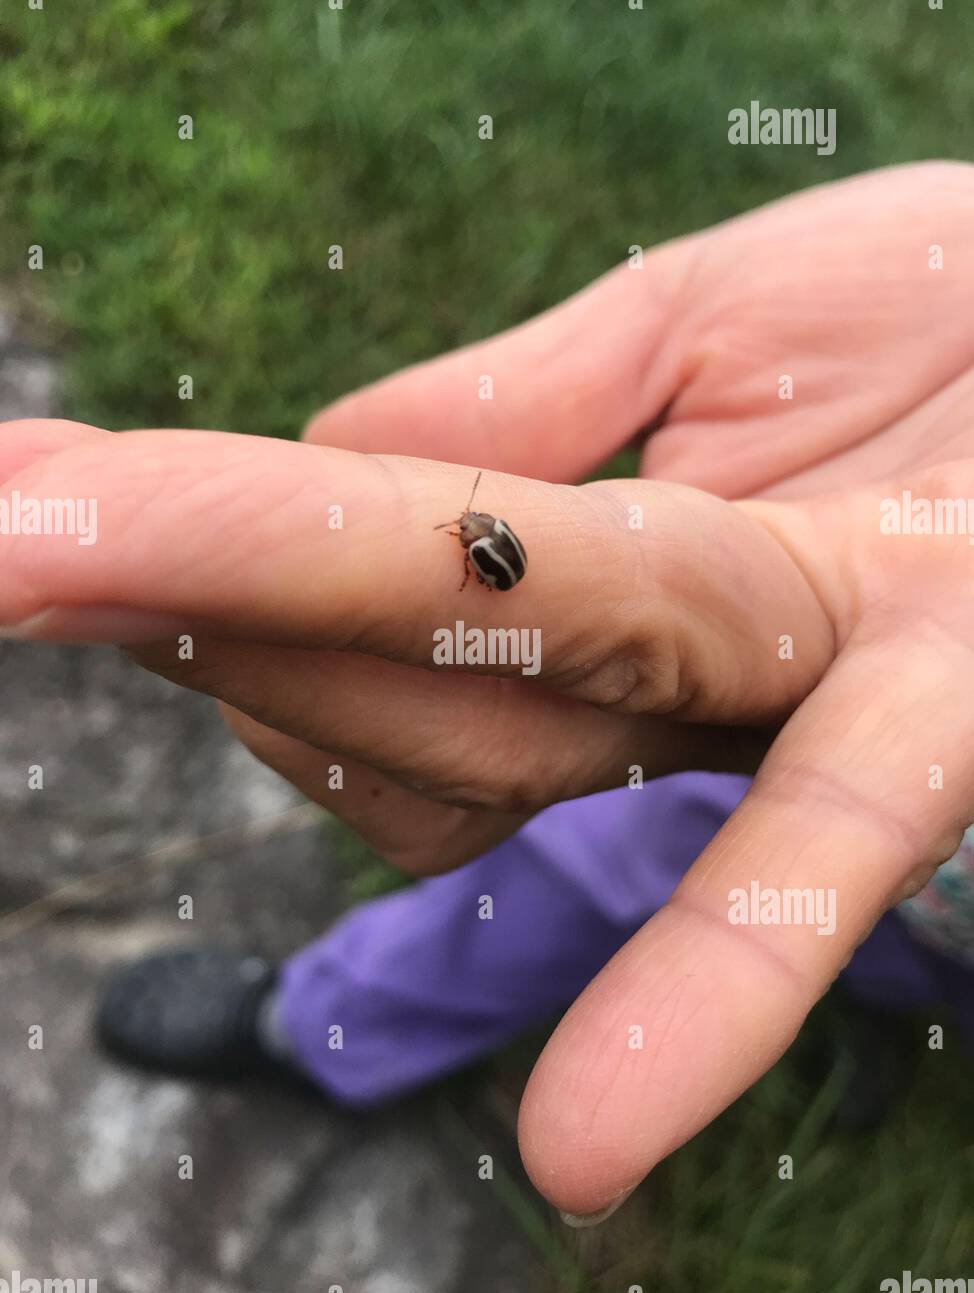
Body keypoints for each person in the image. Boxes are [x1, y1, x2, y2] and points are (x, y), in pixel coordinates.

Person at [3, 160, 974, 1225]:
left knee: (835, 895)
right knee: (633, 852)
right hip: (832, 754)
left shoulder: (478, 544)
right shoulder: (479, 544)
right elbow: (493, 562)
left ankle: (874, 998)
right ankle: (321, 1023)